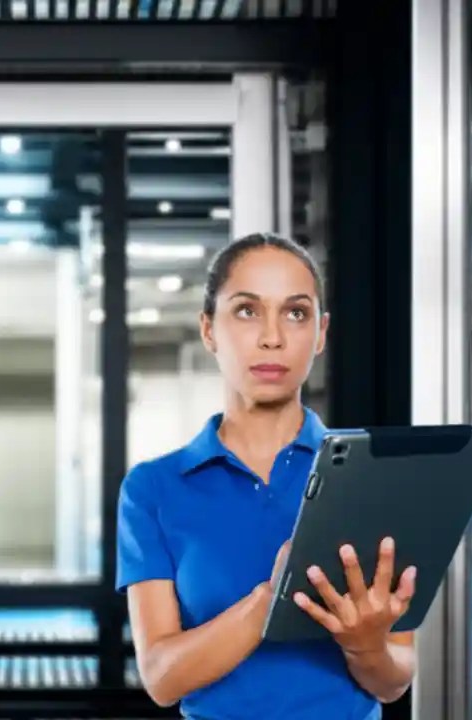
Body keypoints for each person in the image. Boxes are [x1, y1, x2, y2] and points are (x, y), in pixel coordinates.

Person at [116, 233, 418, 719]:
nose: (272, 336)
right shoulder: (152, 489)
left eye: (295, 313)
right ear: (209, 329)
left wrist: (366, 647)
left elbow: (394, 681)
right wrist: (271, 598)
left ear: (320, 333)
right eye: (246, 311)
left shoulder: (372, 472)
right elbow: (161, 677)